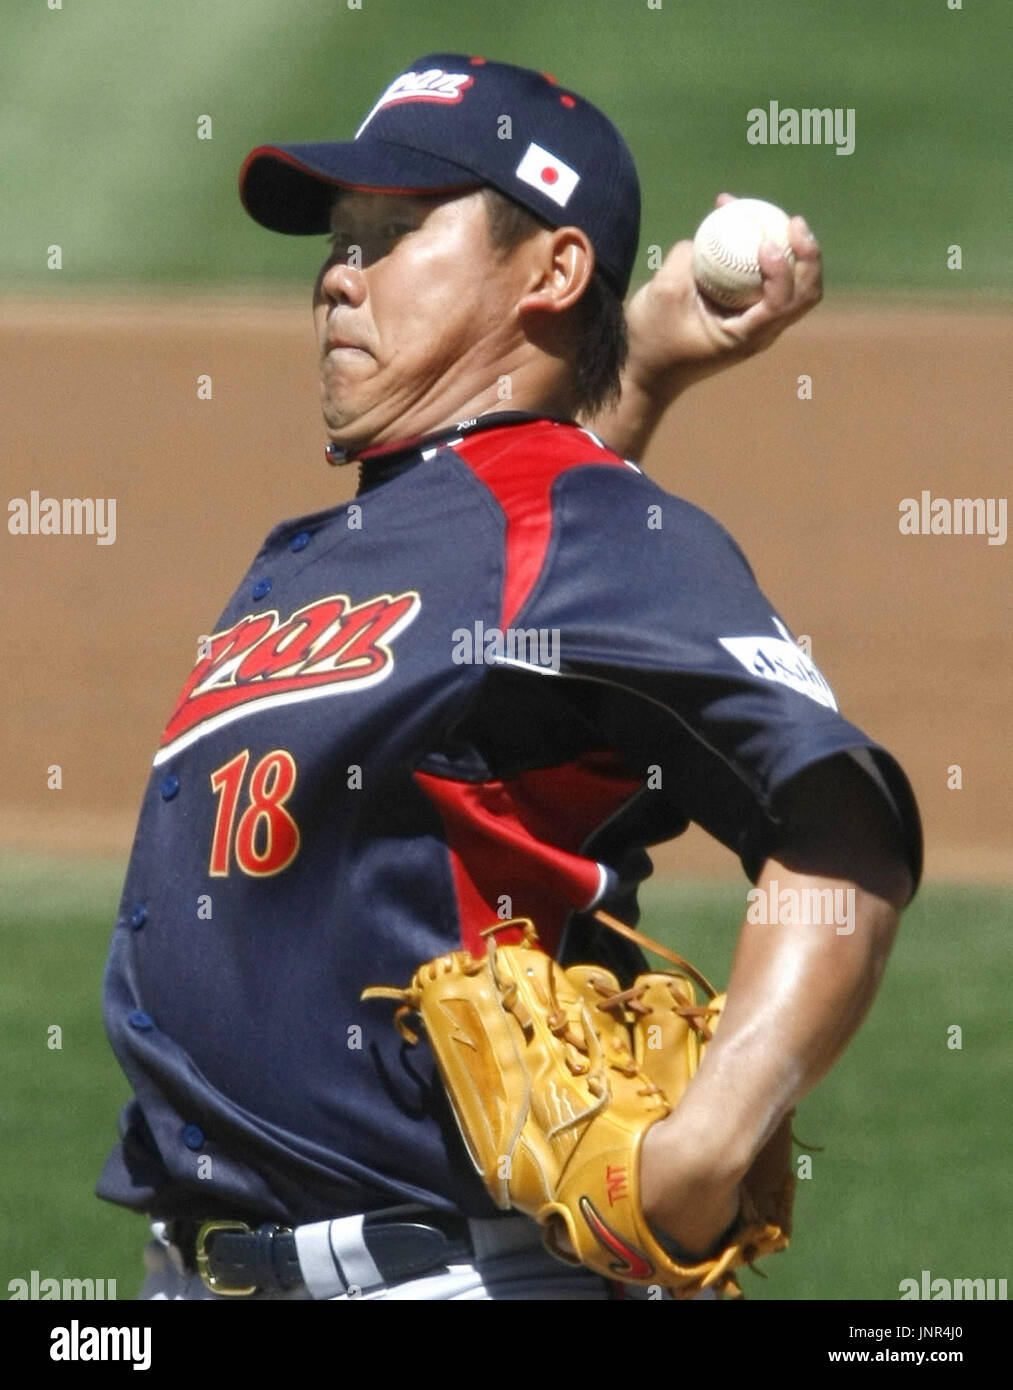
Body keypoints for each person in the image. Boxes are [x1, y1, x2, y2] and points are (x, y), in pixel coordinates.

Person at [97, 53, 920, 1300]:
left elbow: (840, 821)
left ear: (550, 271)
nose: (336, 274)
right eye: (337, 237)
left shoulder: (579, 517)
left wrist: (711, 1136)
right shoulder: (378, 532)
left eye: (392, 232)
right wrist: (627, 372)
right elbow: (509, 599)